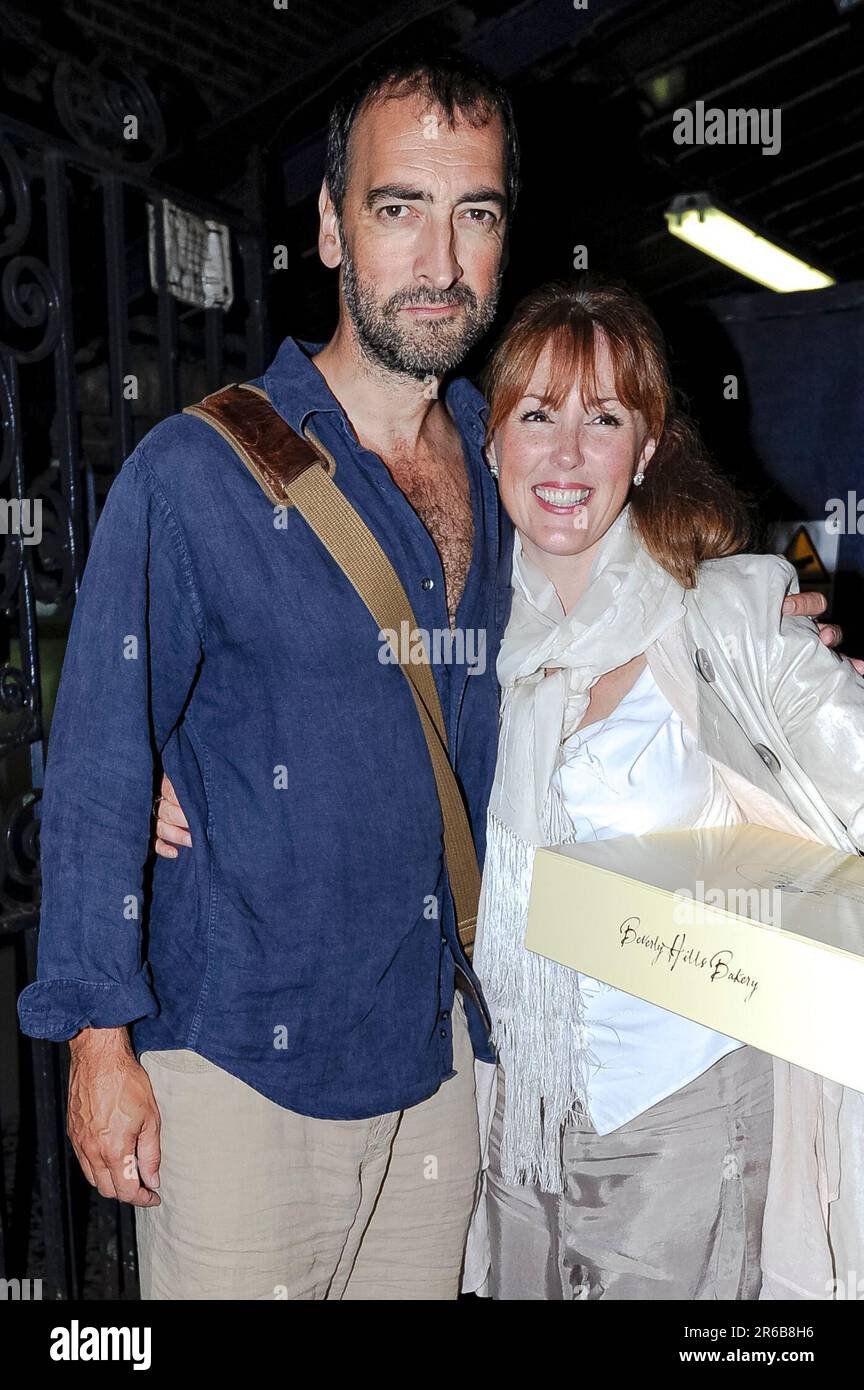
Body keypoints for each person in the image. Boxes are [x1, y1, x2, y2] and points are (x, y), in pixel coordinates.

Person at [28, 51, 838, 1302]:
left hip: (445, 1076)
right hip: (242, 1074)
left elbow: (643, 561)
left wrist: (772, 622)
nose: (440, 258)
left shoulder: (506, 456)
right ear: (331, 226)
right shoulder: (199, 473)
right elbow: (90, 759)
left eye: (477, 213)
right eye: (399, 207)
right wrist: (96, 1038)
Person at [460, 278, 864, 1300]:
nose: (564, 454)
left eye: (604, 420)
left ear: (644, 452)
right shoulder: (466, 648)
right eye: (537, 414)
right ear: (491, 438)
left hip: (687, 1116)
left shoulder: (716, 621)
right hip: (516, 1116)